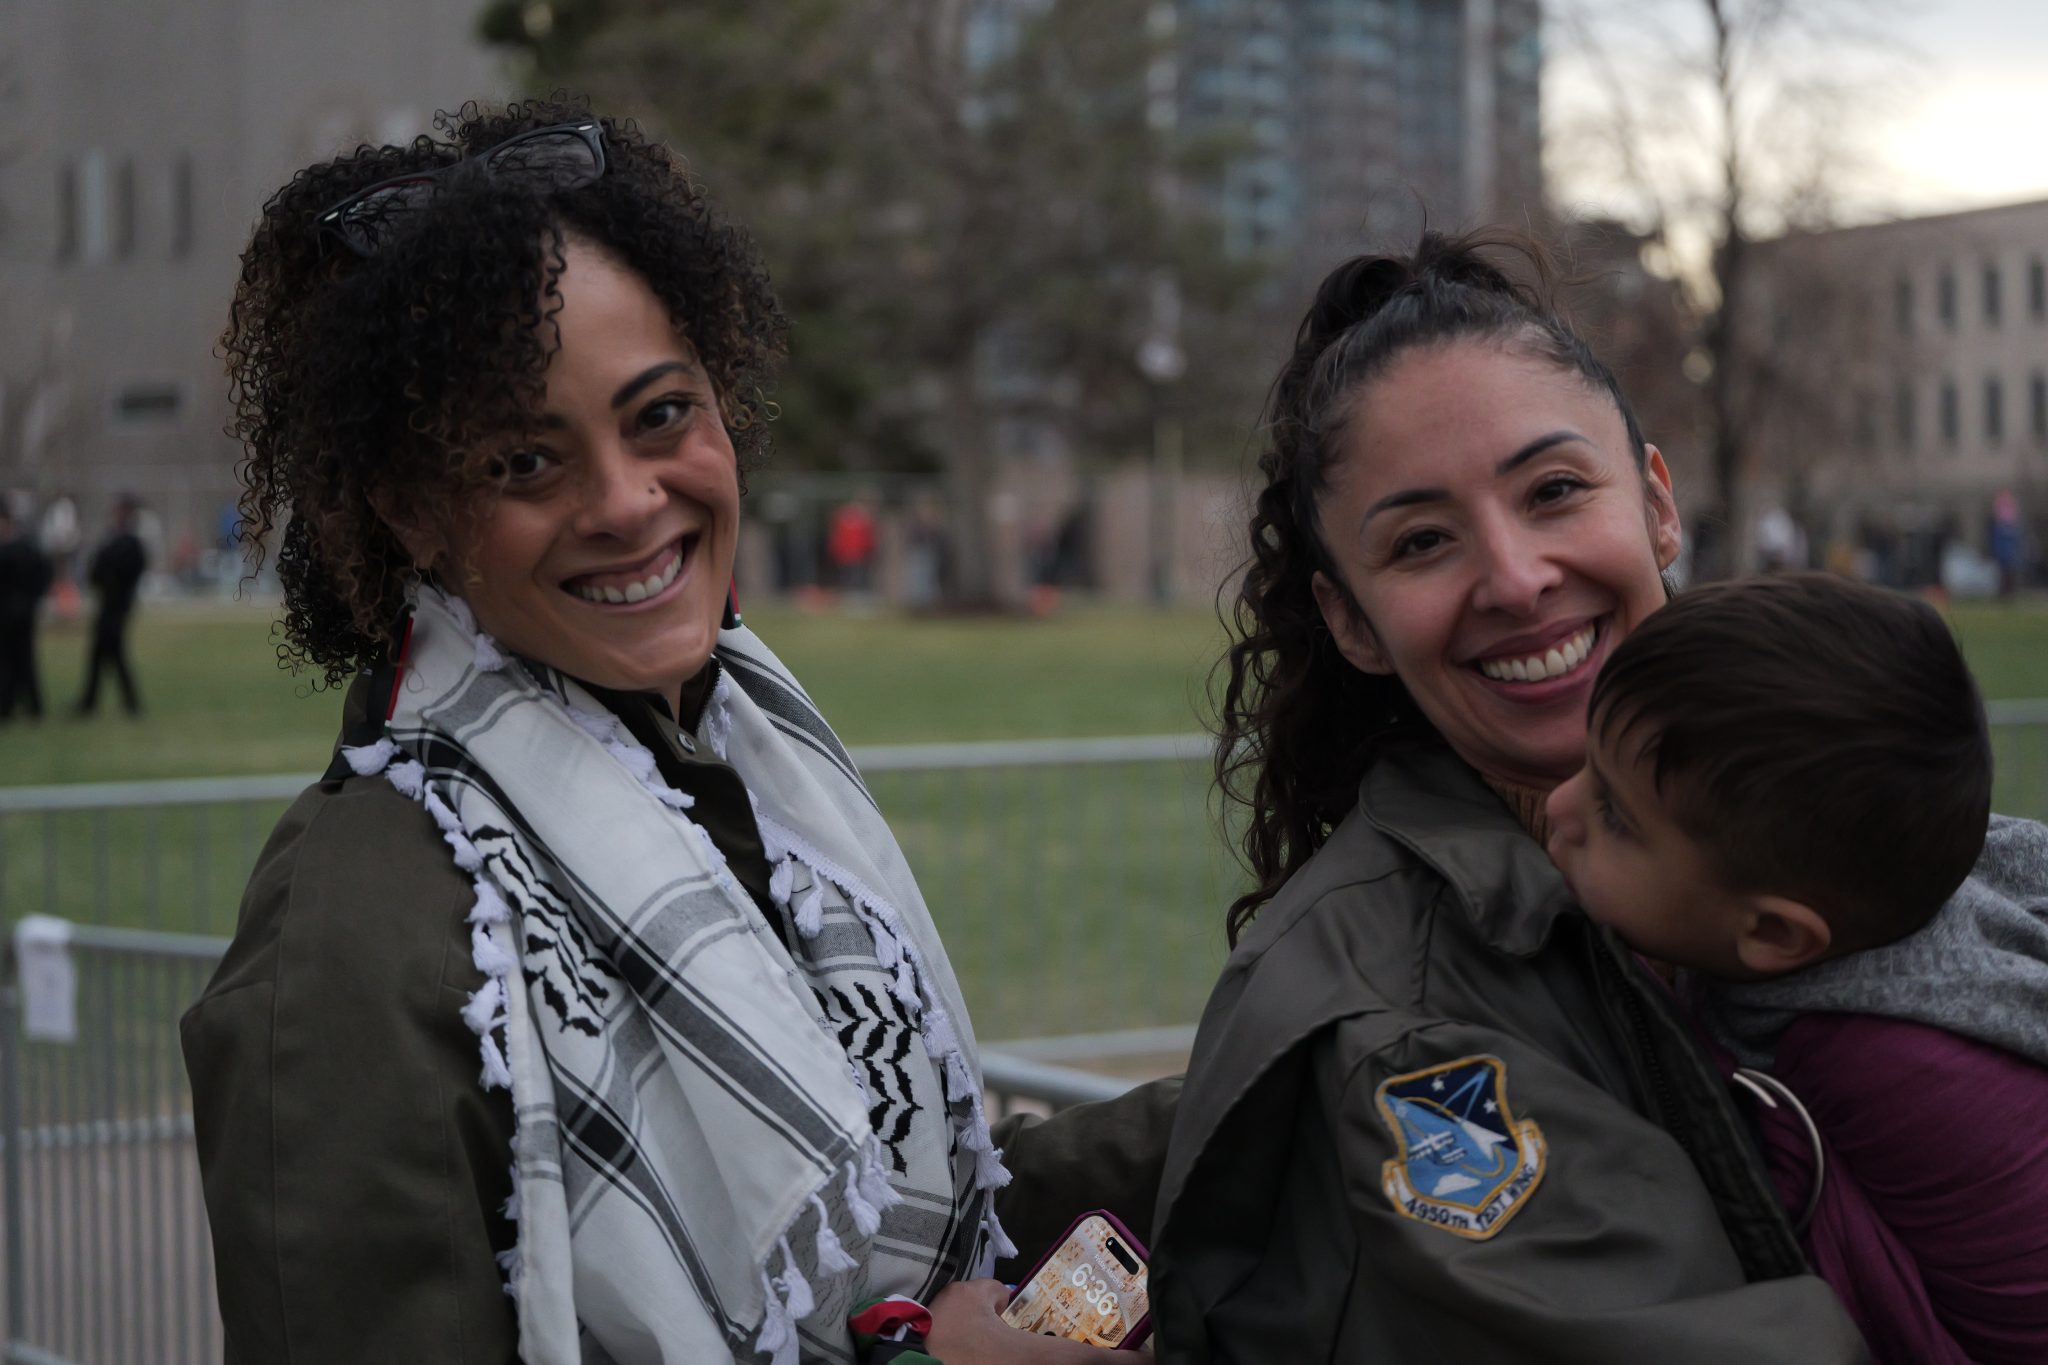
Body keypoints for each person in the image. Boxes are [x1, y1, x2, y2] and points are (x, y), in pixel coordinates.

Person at [181, 101, 1166, 1365]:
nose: (628, 502)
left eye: (658, 416)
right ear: (414, 514)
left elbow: (877, 1198)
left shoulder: (735, 757)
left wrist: (1278, 1091)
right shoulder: (349, 928)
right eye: (524, 464)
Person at [1040, 233, 1865, 1362]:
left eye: (1555, 490)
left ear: (1658, 505)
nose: (1515, 577)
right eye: (1423, 540)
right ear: (1349, 622)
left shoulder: (1844, 810)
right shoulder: (1404, 1033)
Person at [1545, 572, 2048, 1364]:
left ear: (1775, 934)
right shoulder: (1873, 891)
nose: (1556, 808)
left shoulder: (1869, 1058)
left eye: (1614, 813)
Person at [75, 493, 147, 715]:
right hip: (106, 604)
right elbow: (96, 569)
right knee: (100, 655)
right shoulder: (112, 538)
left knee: (114, 655)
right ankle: (93, 703)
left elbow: (123, 572)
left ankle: (128, 703)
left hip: (118, 606)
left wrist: (110, 578)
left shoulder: (130, 543)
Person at [0, 500, 55, 720]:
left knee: (22, 660)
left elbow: (42, 575)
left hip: (20, 614)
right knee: (8, 662)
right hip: (6, 614)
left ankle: (31, 706)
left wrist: (31, 600)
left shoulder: (24, 550)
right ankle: (10, 704)